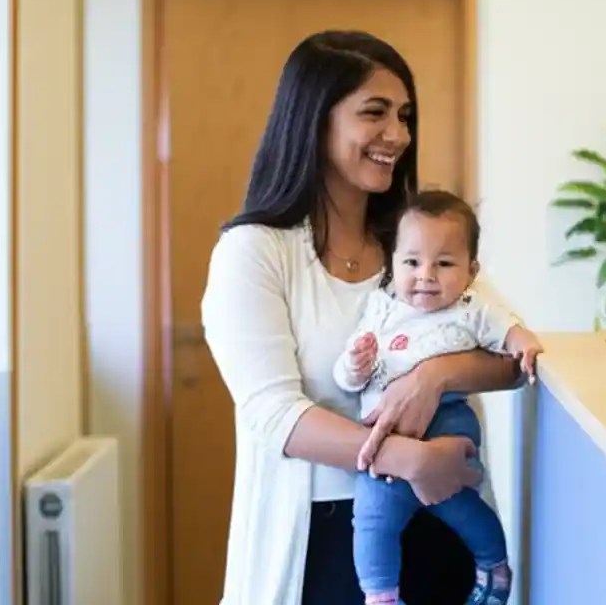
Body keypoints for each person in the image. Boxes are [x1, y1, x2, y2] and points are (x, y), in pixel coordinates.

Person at [201, 30, 525, 604]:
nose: (397, 135)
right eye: (374, 113)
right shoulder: (254, 252)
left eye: (405, 116)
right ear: (315, 121)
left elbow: (511, 359)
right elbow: (275, 415)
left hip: (438, 521)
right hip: (319, 539)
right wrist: (412, 459)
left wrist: (434, 375)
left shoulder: (416, 244)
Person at [334, 189, 542, 605]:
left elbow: (508, 333)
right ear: (393, 263)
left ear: (471, 269)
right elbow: (346, 377)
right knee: (372, 519)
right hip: (385, 441)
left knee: (463, 506)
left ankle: (494, 566)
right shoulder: (381, 309)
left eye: (444, 264)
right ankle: (380, 595)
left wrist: (525, 342)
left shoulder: (471, 308)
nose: (425, 275)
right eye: (411, 262)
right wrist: (354, 366)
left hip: (447, 424)